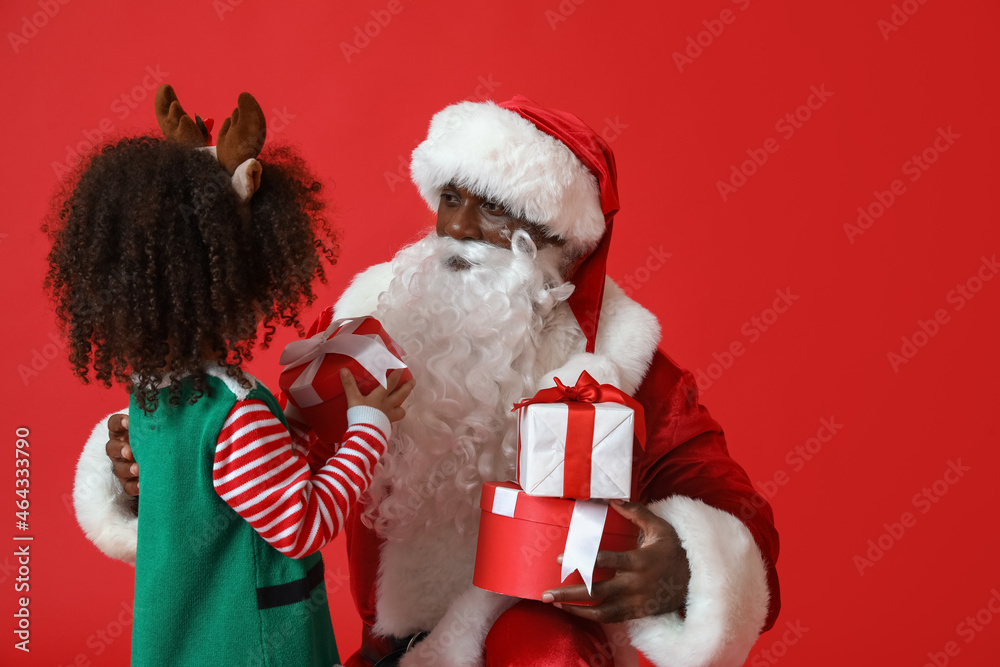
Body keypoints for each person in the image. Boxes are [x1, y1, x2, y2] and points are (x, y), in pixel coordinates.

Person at [75, 95, 780, 667]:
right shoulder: (368, 323)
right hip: (383, 653)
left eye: (494, 206)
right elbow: (266, 463)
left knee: (545, 650)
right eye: (450, 197)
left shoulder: (619, 367)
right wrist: (157, 469)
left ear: (561, 239)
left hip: (535, 647)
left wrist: (686, 566)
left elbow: (731, 502)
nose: (461, 228)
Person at [52, 85, 414, 666]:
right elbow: (302, 525)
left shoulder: (152, 395)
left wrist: (294, 425)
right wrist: (369, 429)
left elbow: (227, 496)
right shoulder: (233, 409)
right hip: (257, 645)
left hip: (179, 642)